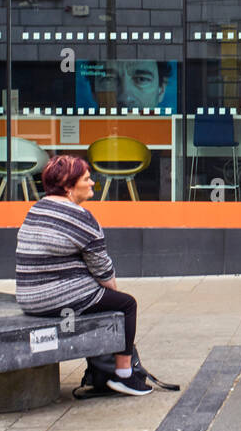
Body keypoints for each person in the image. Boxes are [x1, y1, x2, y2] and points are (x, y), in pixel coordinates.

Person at [15, 155, 169, 396]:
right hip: (57, 299)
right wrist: (112, 294)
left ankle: (101, 372)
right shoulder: (80, 217)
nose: (92, 183)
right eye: (86, 179)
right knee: (126, 304)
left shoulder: (36, 209)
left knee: (100, 300)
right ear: (68, 185)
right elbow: (103, 272)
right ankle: (123, 375)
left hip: (29, 299)